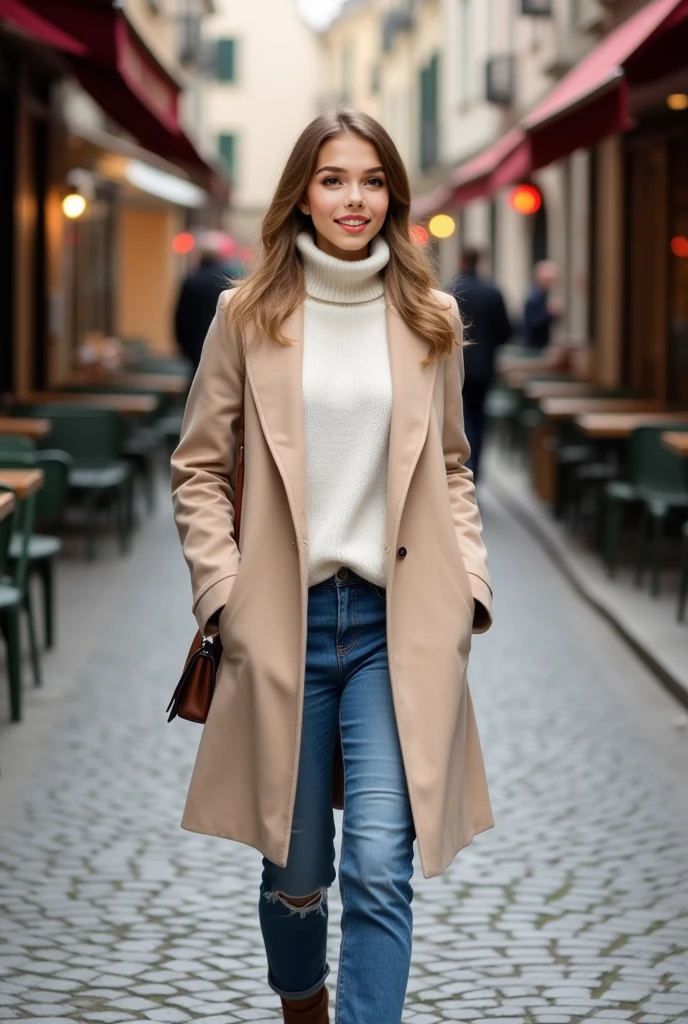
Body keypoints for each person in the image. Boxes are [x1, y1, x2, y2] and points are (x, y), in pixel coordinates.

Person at [171, 108, 494, 1024]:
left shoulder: (430, 318)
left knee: (384, 864)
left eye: (371, 180)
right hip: (286, 621)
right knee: (297, 869)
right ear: (302, 196)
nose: (354, 199)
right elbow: (197, 466)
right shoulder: (248, 314)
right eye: (333, 179)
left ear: (392, 194)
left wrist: (471, 582)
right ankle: (300, 998)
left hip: (399, 627)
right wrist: (224, 592)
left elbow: (454, 466)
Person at [448, 246, 511, 481]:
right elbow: (505, 332)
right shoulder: (493, 292)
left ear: (461, 260)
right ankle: (477, 471)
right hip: (484, 370)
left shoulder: (450, 291)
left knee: (457, 419)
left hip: (454, 370)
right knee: (479, 420)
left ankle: (461, 469)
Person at [174, 243, 227, 372]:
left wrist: (182, 345)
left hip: (195, 344)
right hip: (222, 344)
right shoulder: (226, 281)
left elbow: (181, 317)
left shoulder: (191, 281)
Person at [523, 259, 561, 350]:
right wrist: (549, 312)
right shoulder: (535, 296)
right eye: (550, 280)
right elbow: (533, 322)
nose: (553, 283)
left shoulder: (543, 294)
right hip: (534, 346)